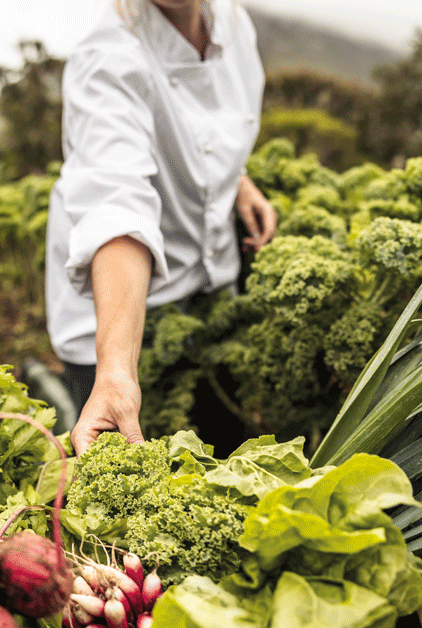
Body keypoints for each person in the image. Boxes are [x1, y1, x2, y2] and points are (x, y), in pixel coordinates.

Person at [45, 0, 278, 455]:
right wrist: (115, 372)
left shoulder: (232, 24)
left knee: (224, 441)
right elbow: (117, 203)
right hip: (117, 310)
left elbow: (208, 128)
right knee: (137, 488)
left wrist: (237, 182)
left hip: (207, 281)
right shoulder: (107, 57)